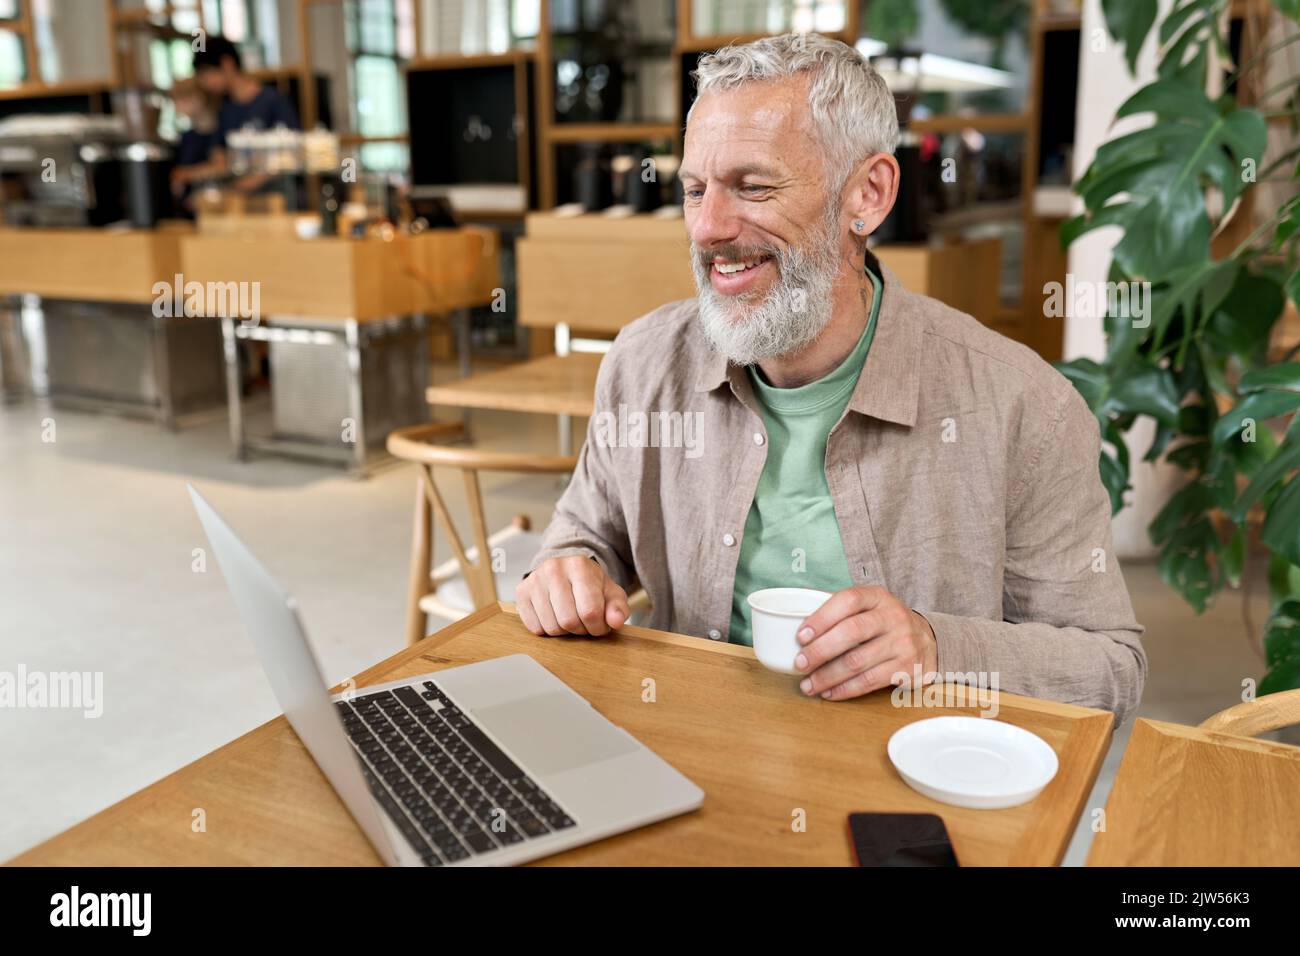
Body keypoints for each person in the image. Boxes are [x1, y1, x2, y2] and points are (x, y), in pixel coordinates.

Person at [516, 33, 1147, 725]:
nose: (708, 227)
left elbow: (1109, 669)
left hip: (916, 786)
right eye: (696, 189)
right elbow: (582, 538)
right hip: (685, 752)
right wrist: (566, 572)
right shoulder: (642, 366)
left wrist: (938, 647)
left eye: (752, 187)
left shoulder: (1022, 405)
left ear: (868, 196)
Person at [190, 35, 299, 193]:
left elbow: (290, 152)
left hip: (277, 195)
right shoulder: (223, 108)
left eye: (207, 74)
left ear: (227, 64)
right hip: (238, 198)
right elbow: (219, 157)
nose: (205, 83)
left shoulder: (273, 101)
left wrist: (251, 181)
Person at [167, 77, 221, 213]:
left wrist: (185, 174)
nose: (178, 107)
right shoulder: (187, 136)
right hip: (190, 207)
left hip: (214, 202)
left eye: (182, 101)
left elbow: (220, 167)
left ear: (199, 98)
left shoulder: (219, 132)